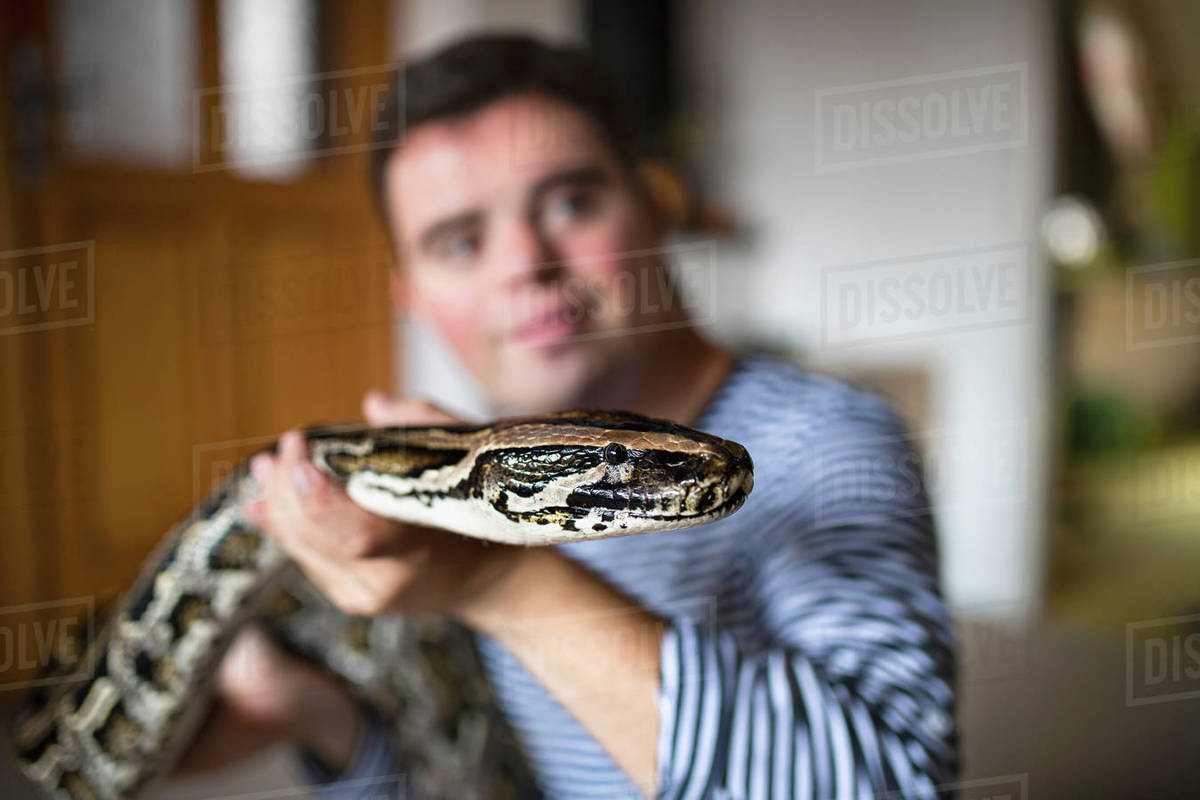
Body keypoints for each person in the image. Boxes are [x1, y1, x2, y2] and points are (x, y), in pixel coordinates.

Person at [178, 35, 958, 800]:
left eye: (572, 200)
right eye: (460, 241)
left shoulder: (829, 447)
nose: (526, 263)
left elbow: (890, 785)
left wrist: (498, 579)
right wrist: (321, 720)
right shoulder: (446, 502)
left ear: (658, 206)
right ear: (409, 295)